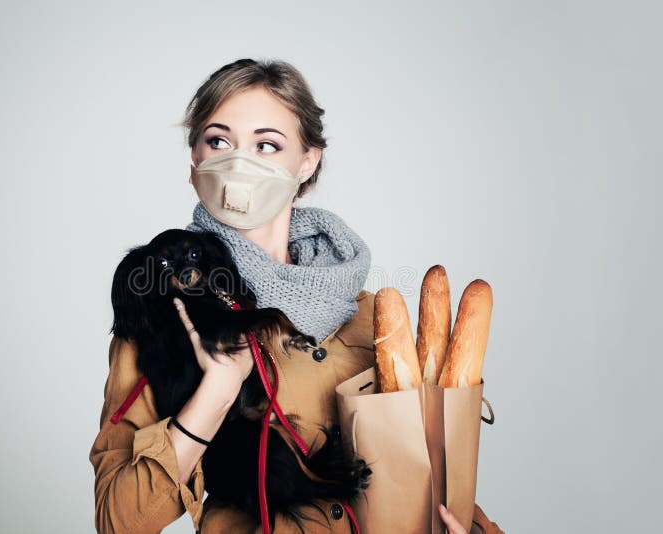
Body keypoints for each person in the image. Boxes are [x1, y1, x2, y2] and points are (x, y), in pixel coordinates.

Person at [89, 58, 504, 534]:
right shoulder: (163, 315)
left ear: (308, 162)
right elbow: (119, 521)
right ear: (195, 161)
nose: (239, 163)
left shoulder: (369, 317)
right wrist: (217, 393)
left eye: (266, 145)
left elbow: (428, 471)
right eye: (219, 141)